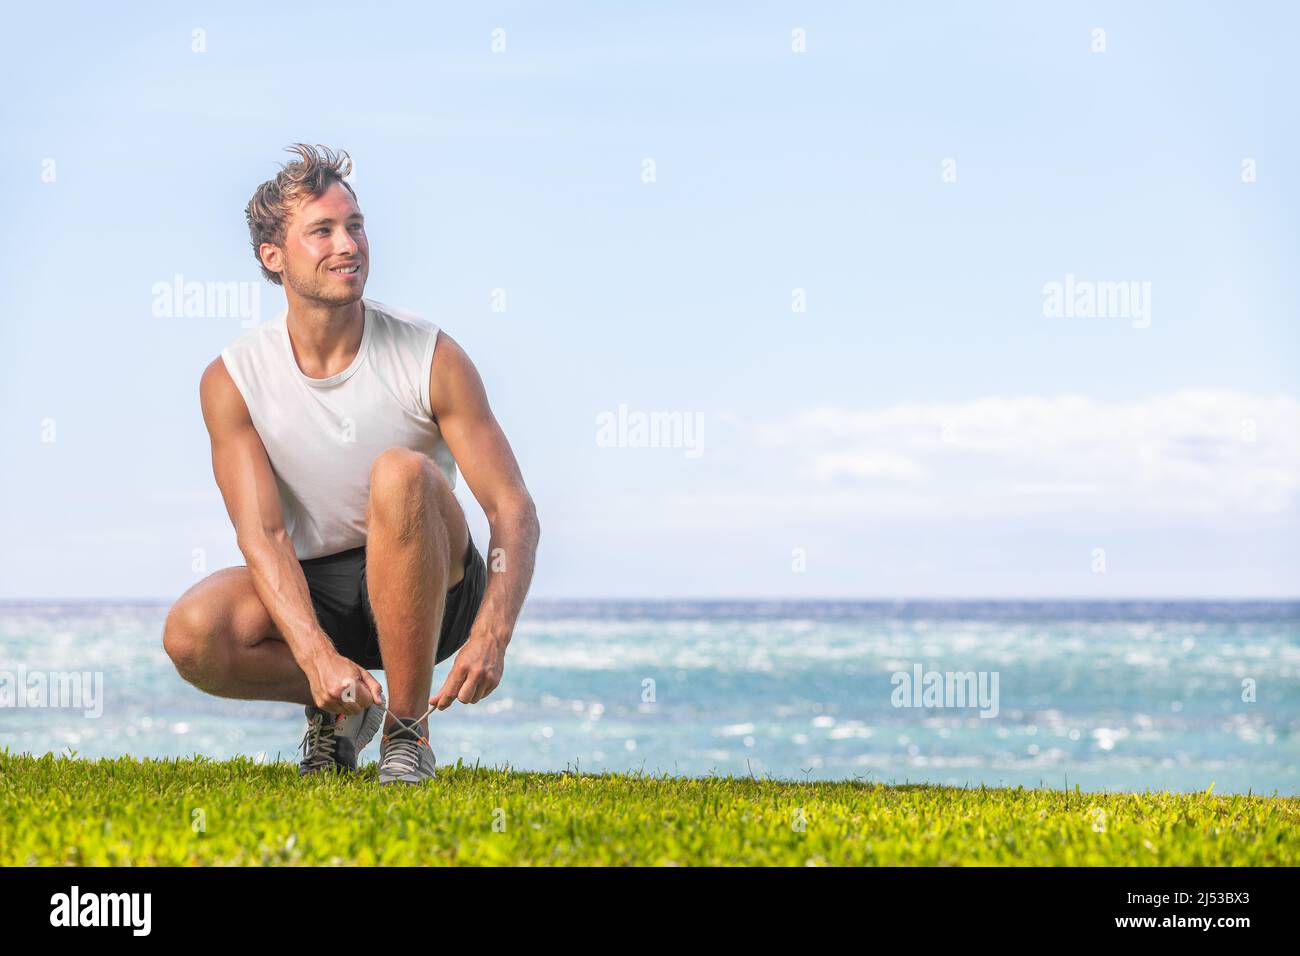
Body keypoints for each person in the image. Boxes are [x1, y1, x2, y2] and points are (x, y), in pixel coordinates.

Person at [162, 144, 540, 785]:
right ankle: (341, 710)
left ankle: (407, 734)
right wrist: (313, 657)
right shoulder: (233, 380)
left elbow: (513, 509)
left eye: (355, 225)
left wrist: (493, 632)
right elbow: (264, 534)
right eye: (323, 231)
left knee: (401, 473)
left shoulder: (431, 354)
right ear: (273, 258)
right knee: (193, 633)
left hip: (436, 586)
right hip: (318, 594)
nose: (349, 244)